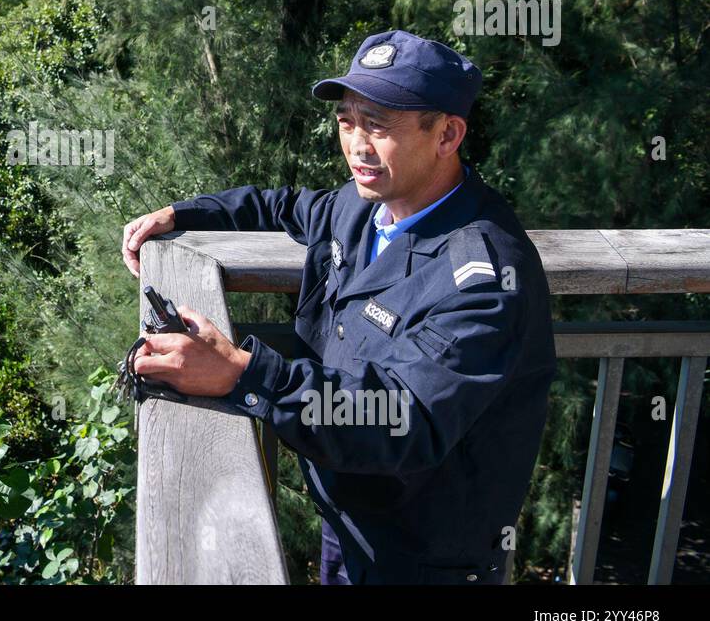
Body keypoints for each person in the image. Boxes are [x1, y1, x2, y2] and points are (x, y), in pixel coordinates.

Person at [120, 29, 556, 584]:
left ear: (447, 134)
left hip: (421, 560)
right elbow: (285, 206)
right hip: (347, 523)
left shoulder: (483, 279)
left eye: (378, 123)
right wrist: (183, 214)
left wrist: (244, 373)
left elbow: (404, 419)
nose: (355, 143)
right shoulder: (366, 206)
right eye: (347, 120)